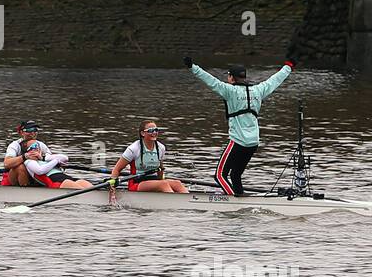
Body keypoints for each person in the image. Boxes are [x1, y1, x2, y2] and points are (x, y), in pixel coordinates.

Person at [183, 53, 295, 195]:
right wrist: (288, 67)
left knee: (219, 175)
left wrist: (192, 67)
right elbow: (275, 80)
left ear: (231, 77)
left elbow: (210, 80)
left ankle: (233, 201)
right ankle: (240, 198)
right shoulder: (258, 90)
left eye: (228, 76)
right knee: (235, 175)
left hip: (238, 141)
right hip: (253, 143)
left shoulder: (229, 90)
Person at [109, 120, 188, 193]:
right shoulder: (133, 149)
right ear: (143, 133)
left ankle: (189, 201)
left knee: (177, 183)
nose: (154, 132)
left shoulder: (161, 148)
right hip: (137, 183)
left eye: (156, 130)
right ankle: (175, 202)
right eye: (150, 131)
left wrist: (161, 182)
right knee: (163, 184)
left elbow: (160, 169)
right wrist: (112, 190)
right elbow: (116, 170)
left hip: (154, 181)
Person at [16, 141, 92, 190]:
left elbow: (64, 158)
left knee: (87, 185)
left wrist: (43, 158)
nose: (37, 149)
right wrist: (56, 161)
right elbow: (40, 171)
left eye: (38, 146)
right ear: (26, 152)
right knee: (83, 190)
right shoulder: (28, 162)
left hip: (65, 177)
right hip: (55, 181)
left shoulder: (45, 158)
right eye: (33, 147)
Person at [1, 121, 48, 186]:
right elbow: (7, 163)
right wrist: (25, 157)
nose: (33, 133)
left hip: (33, 175)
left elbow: (51, 159)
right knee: (20, 167)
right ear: (21, 132)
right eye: (29, 130)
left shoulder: (41, 145)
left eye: (35, 130)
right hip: (14, 178)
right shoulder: (15, 145)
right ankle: (25, 192)